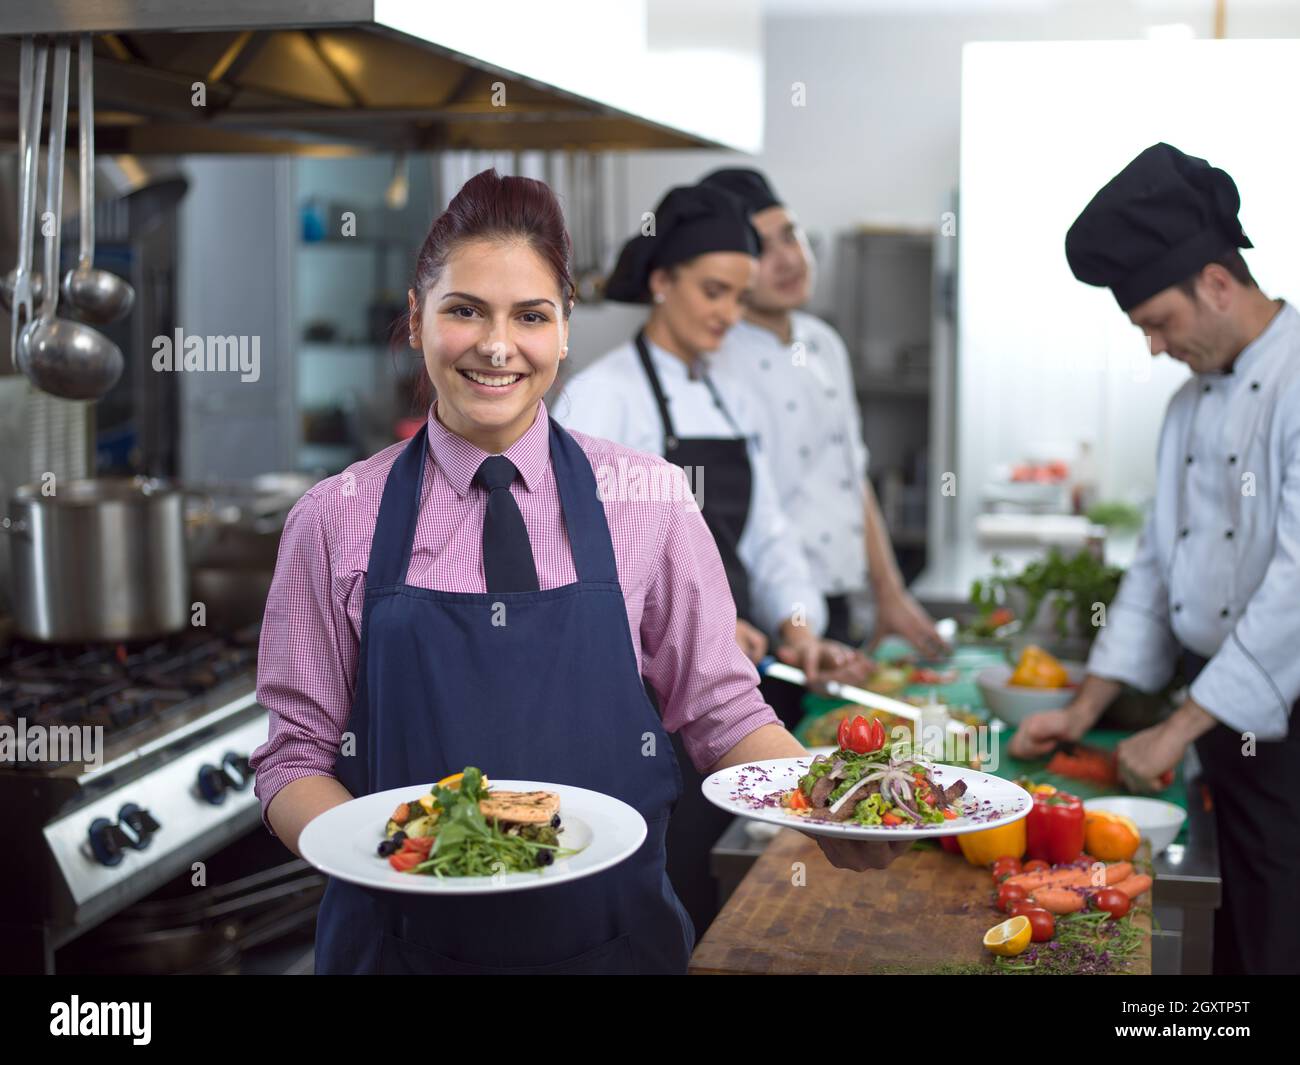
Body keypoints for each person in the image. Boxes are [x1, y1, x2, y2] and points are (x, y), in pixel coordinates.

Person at [249, 169, 904, 976]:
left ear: (563, 330)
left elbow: (721, 707)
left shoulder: (650, 499)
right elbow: (293, 758)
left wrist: (824, 806)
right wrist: (393, 860)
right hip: (397, 946)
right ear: (418, 319)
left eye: (530, 315)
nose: (497, 345)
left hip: (614, 945)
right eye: (464, 311)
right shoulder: (334, 516)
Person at [1009, 142, 1300, 975]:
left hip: (1285, 718)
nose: (1152, 346)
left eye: (1158, 324)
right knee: (1239, 925)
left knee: (1281, 927)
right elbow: (1154, 569)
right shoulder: (1185, 406)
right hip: (1223, 713)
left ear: (1216, 282)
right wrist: (1084, 706)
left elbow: (1294, 588)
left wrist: (1177, 725)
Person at [557, 182, 875, 932]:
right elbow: (576, 566)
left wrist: (800, 626)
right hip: (637, 704)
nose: (728, 313)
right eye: (712, 291)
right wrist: (695, 626)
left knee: (726, 880)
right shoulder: (602, 400)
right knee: (661, 878)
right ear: (661, 281)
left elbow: (766, 537)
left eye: (737, 294)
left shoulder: (728, 395)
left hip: (724, 694)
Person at [699, 167, 948, 657]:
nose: (788, 259)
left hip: (837, 605)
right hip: (759, 614)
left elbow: (852, 475)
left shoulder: (824, 343)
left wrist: (889, 593)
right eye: (762, 248)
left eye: (790, 235)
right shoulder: (715, 359)